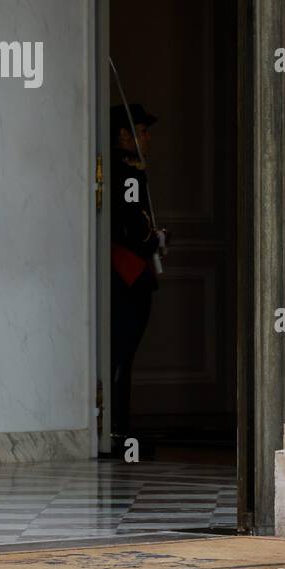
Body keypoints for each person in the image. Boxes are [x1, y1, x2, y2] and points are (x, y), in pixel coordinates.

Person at [109, 102, 164, 458]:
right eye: (141, 131)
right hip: (126, 274)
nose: (146, 138)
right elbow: (132, 228)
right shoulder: (127, 173)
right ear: (124, 135)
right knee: (119, 355)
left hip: (129, 273)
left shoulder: (131, 171)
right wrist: (154, 239)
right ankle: (117, 430)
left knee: (123, 356)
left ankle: (119, 428)